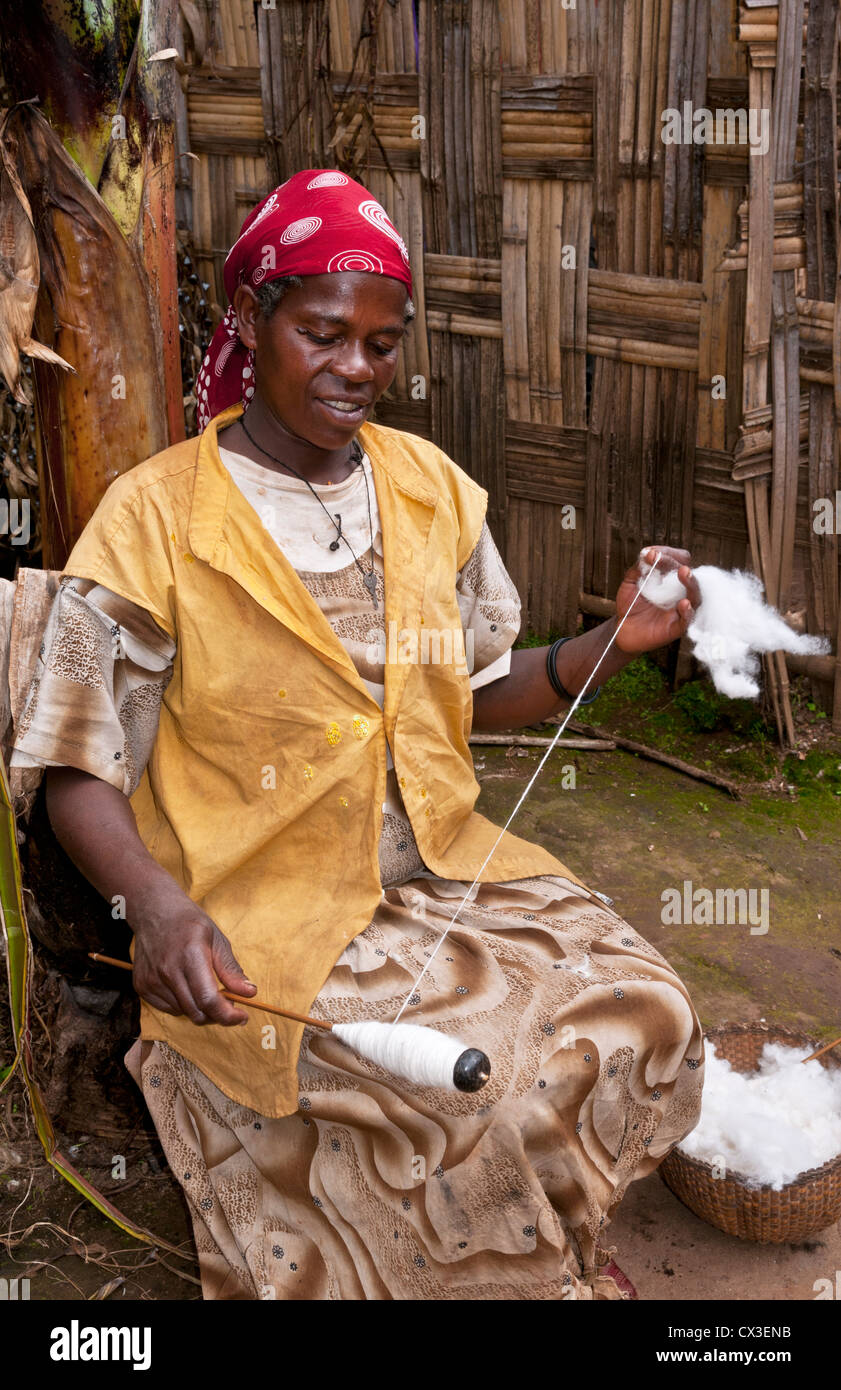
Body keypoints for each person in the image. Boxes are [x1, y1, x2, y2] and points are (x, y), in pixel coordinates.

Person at [11, 168, 704, 1301]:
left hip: (440, 869)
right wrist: (158, 904)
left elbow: (475, 689)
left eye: (382, 345)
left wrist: (608, 645)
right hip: (261, 914)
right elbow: (78, 761)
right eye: (323, 334)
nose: (357, 371)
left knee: (642, 1006)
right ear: (251, 319)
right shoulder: (157, 517)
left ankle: (547, 1244)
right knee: (455, 1101)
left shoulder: (428, 489)